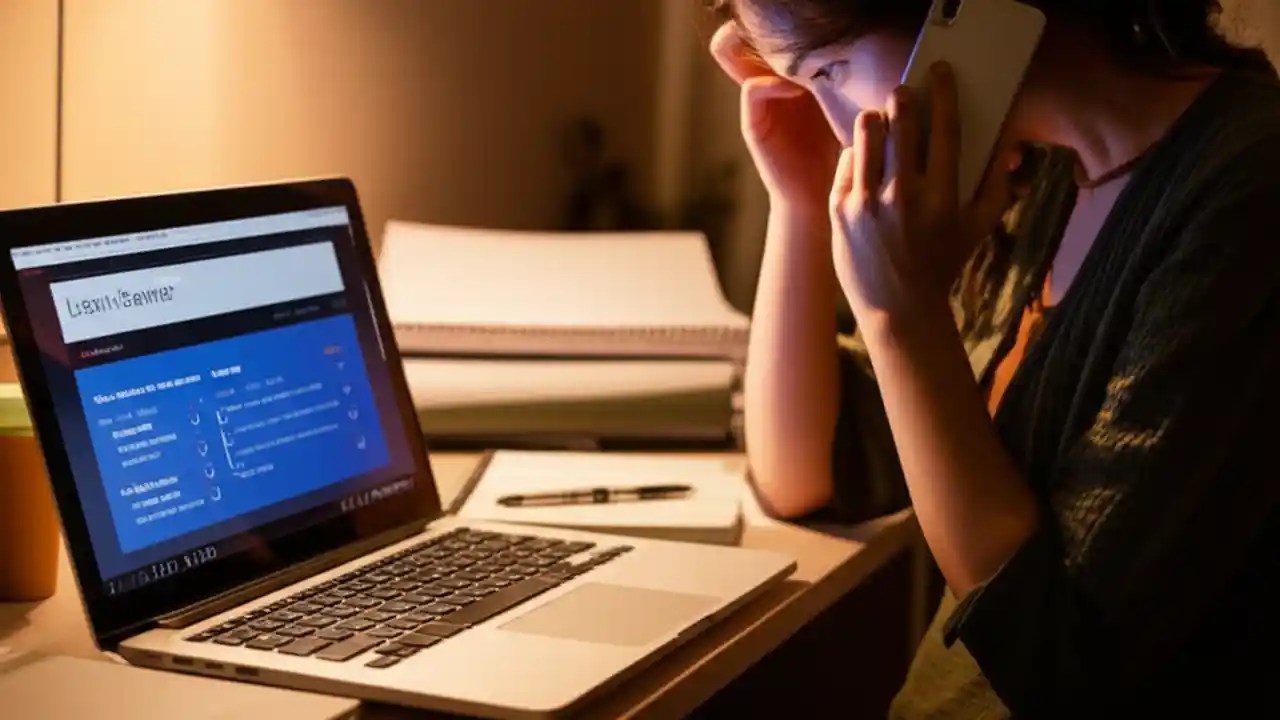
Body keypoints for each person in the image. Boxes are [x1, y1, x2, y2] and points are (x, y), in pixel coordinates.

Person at [707, 0, 1279, 716]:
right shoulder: (1036, 173)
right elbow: (807, 473)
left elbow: (1063, 666)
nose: (840, 126)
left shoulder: (1247, 191)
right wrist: (799, 197)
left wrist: (903, 319)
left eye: (831, 70)